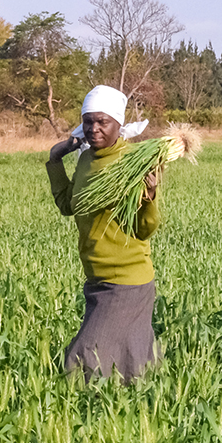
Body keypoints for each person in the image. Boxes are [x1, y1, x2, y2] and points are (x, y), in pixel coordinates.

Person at [45, 85, 162, 382]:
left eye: (103, 122)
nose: (94, 129)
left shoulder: (131, 164)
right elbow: (67, 205)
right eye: (88, 121)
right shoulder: (86, 160)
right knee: (129, 362)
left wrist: (150, 195)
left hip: (126, 280)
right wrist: (55, 161)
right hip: (97, 275)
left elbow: (144, 229)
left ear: (118, 124)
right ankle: (136, 407)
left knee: (83, 361)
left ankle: (76, 411)